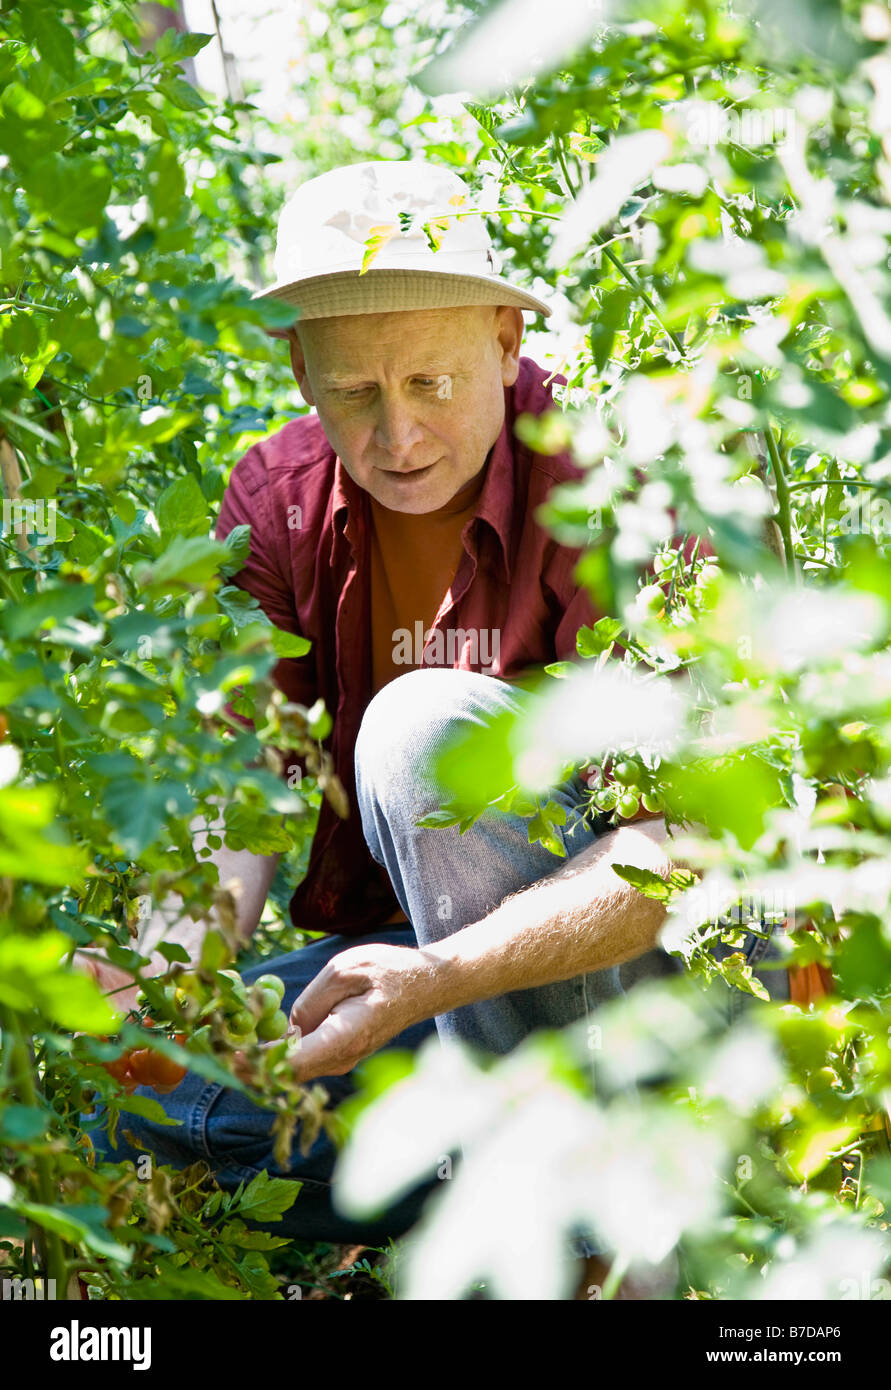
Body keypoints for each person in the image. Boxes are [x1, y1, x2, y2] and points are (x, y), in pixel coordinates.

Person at [83, 160, 699, 1255]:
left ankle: (600, 1215)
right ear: (300, 368)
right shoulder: (271, 503)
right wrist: (171, 984)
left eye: (431, 385)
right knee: (129, 1086)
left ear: (508, 341)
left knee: (418, 733)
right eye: (356, 393)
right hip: (405, 980)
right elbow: (243, 794)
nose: (398, 438)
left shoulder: (615, 484)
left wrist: (444, 978)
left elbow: (682, 849)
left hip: (625, 993)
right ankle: (528, 1204)